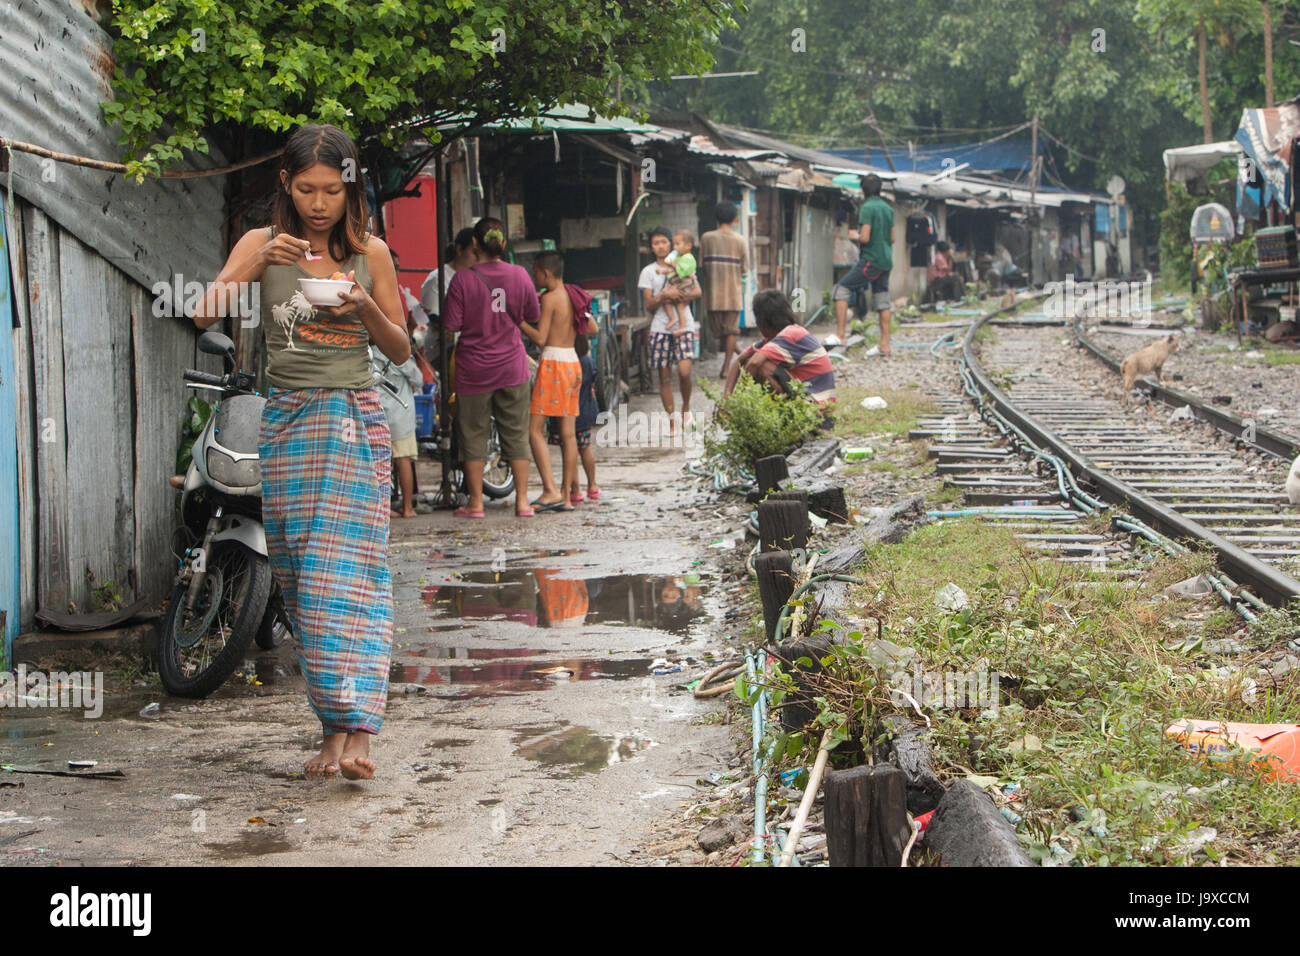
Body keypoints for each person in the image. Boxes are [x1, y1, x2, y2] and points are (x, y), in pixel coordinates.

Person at [192, 123, 410, 780]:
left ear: (350, 189)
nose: (320, 204)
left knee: (356, 574)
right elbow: (202, 314)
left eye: (332, 190)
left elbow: (400, 348)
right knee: (304, 580)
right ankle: (329, 729)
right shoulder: (262, 244)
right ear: (286, 185)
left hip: (351, 419)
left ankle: (361, 730)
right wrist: (255, 267)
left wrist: (365, 305)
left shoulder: (370, 251)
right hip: (285, 423)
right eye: (307, 189)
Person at [441, 217, 538, 518]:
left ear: (474, 244)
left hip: (474, 369)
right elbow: (532, 313)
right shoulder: (520, 274)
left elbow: (450, 325)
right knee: (517, 434)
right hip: (512, 366)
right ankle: (522, 502)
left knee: (473, 435)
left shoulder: (462, 279)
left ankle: (476, 504)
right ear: (503, 244)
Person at [522, 250, 583, 512]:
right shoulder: (571, 294)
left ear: (546, 273)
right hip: (573, 361)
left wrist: (519, 322)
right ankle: (566, 496)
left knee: (534, 429)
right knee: (569, 435)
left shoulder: (549, 299)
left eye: (535, 272)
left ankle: (550, 491)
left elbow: (540, 338)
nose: (534, 277)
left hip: (554, 364)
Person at [725, 289, 836, 421]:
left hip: (816, 414)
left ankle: (778, 418)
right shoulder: (776, 338)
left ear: (762, 322)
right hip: (810, 406)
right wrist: (726, 401)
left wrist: (738, 403)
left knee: (762, 366)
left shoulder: (792, 334)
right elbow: (740, 360)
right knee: (754, 359)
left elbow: (754, 363)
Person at [639, 226, 702, 431]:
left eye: (664, 242)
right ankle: (672, 422)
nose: (660, 247)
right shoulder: (648, 272)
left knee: (684, 372)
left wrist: (678, 295)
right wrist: (664, 296)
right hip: (659, 328)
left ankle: (685, 407)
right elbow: (648, 304)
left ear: (672, 244)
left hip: (685, 326)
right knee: (664, 377)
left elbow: (698, 291)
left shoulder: (684, 262)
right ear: (651, 247)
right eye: (656, 243)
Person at [832, 174, 894, 355]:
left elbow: (865, 237)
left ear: (863, 190)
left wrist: (854, 235)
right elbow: (892, 238)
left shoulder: (867, 208)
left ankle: (840, 336)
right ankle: (884, 345)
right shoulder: (888, 209)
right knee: (882, 299)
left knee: (841, 289)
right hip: (886, 260)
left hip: (871, 259)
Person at [370, 336, 424, 519]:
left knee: (376, 464)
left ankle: (382, 509)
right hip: (401, 414)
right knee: (403, 461)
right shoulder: (399, 353)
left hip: (376, 413)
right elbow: (418, 379)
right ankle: (408, 508)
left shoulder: (369, 353)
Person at [546, 329, 601, 503]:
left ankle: (575, 489)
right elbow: (594, 380)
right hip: (584, 414)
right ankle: (592, 485)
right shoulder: (587, 360)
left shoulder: (563, 362)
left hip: (565, 413)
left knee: (567, 451)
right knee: (585, 448)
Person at [700, 202, 748, 381]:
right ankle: (742, 355)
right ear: (735, 219)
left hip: (713, 294)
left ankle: (727, 366)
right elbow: (744, 268)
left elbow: (702, 265)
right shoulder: (740, 240)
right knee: (730, 332)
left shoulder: (706, 238)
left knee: (722, 332)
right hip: (733, 293)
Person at [658, 230, 699, 336]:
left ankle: (682, 326)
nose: (675, 248)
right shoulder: (679, 257)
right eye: (674, 244)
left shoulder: (688, 258)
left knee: (679, 304)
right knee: (665, 299)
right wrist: (662, 271)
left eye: (677, 244)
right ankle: (672, 318)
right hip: (676, 281)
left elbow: (683, 271)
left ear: (688, 245)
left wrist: (672, 265)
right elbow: (672, 271)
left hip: (685, 282)